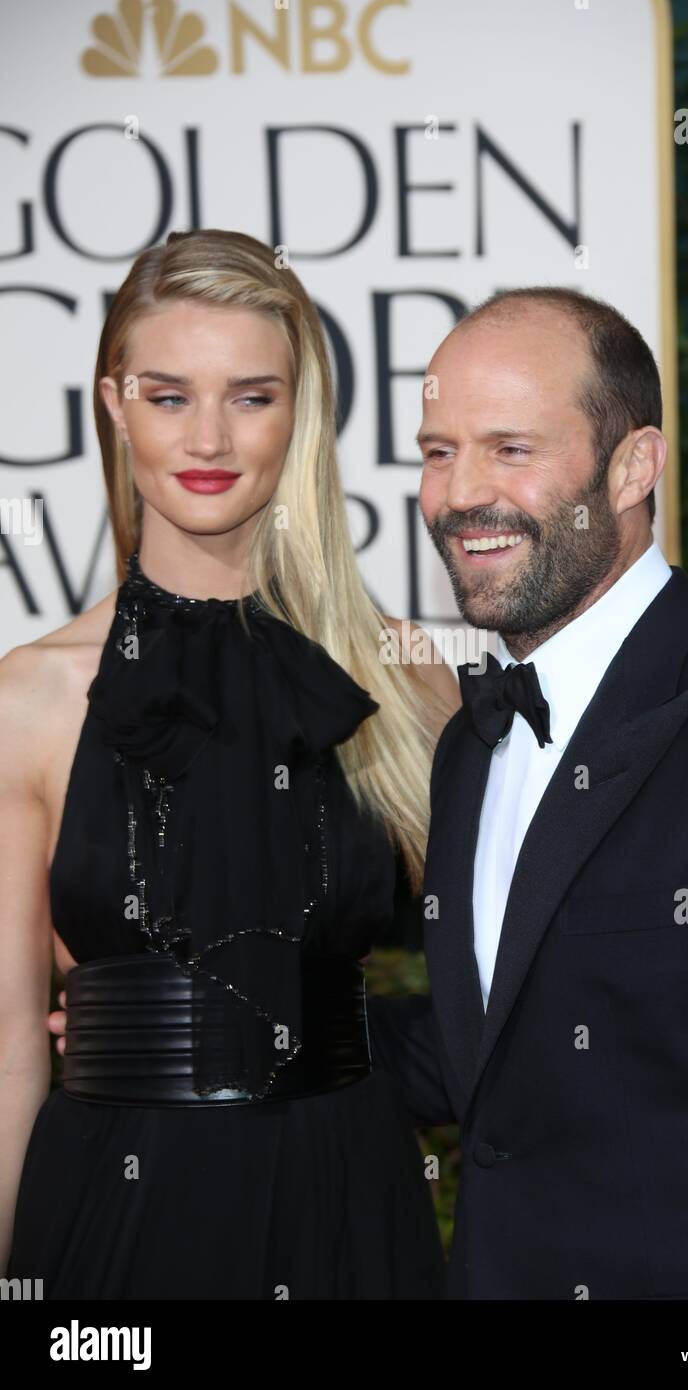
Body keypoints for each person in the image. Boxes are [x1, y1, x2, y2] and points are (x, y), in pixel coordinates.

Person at [368, 287, 688, 1299]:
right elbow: (507, 1043)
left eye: (510, 449)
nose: (461, 493)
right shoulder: (474, 739)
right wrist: (229, 1021)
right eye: (435, 451)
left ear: (633, 465)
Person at [1, 227, 458, 1299]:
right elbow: (11, 1047)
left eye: (251, 395)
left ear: (301, 412)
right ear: (114, 404)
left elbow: (508, 981)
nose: (208, 436)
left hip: (349, 1195)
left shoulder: (398, 677)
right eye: (168, 396)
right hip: (116, 1213)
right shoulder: (28, 699)